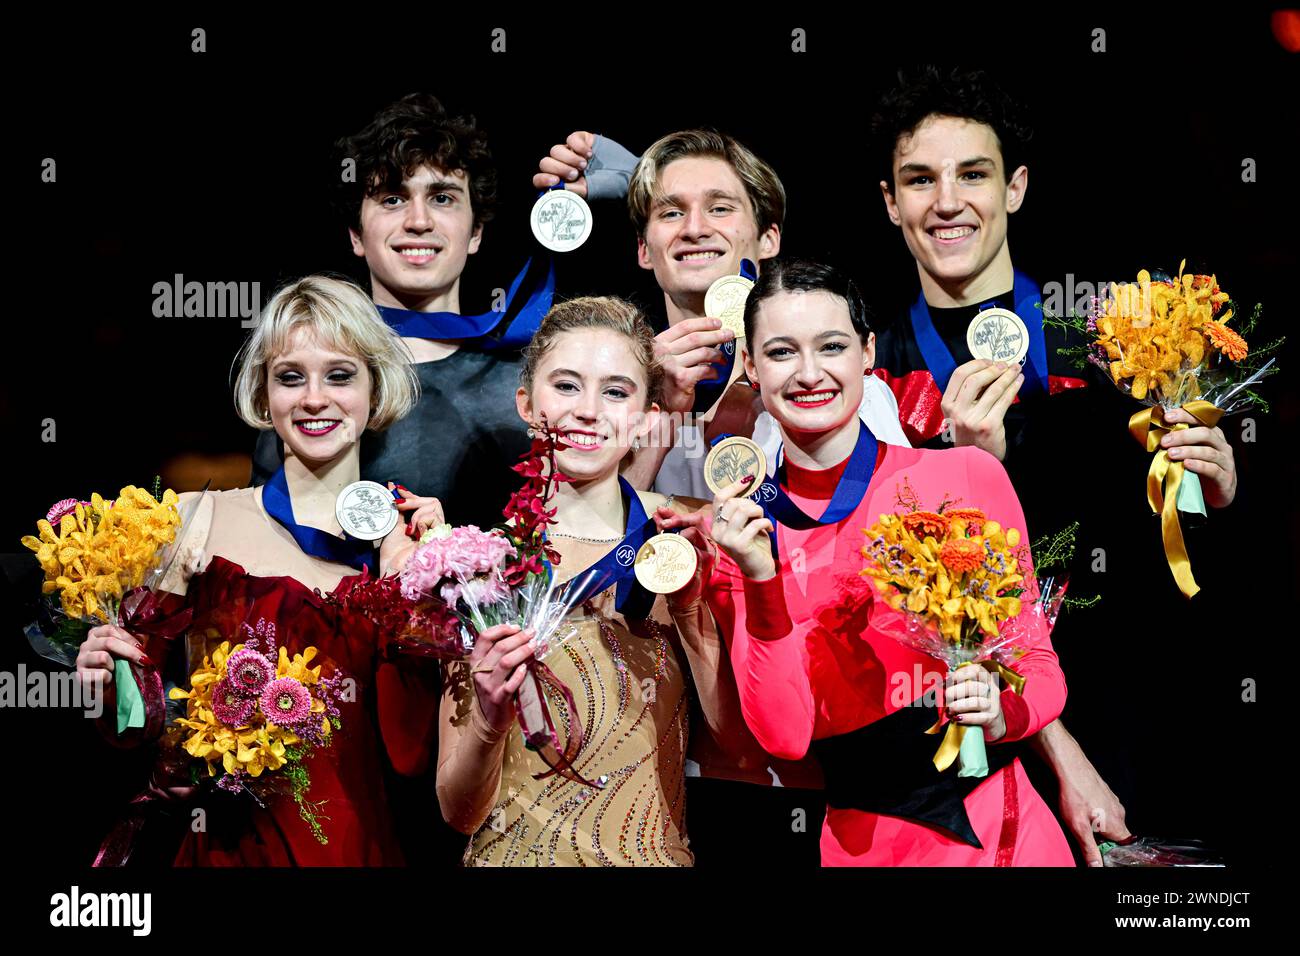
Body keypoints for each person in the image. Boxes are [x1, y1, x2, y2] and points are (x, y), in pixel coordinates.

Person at [870, 66, 1239, 863]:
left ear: (1017, 188)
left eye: (974, 174)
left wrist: (1221, 484)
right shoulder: (870, 363)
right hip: (969, 729)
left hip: (1138, 707)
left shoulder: (1111, 335)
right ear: (890, 201)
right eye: (919, 180)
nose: (947, 201)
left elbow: (1198, 550)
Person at [659, 259, 1074, 865]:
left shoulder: (963, 473)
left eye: (831, 346)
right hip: (867, 848)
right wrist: (761, 578)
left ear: (866, 351)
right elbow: (786, 736)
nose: (809, 374)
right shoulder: (741, 534)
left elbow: (1039, 667)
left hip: (1008, 834)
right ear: (750, 365)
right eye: (780, 352)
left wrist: (1000, 710)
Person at [75, 276, 444, 865]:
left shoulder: (411, 537)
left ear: (375, 388)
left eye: (340, 375)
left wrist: (417, 583)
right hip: (226, 850)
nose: (314, 398)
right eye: (291, 377)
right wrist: (101, 685)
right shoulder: (195, 520)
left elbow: (418, 753)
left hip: (360, 847)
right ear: (264, 395)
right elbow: (134, 726)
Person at [434, 296, 752, 865]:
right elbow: (458, 812)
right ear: (526, 404)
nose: (588, 410)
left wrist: (689, 608)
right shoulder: (477, 566)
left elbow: (738, 745)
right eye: (566, 386)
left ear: (650, 417)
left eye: (615, 391)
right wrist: (488, 717)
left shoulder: (685, 535)